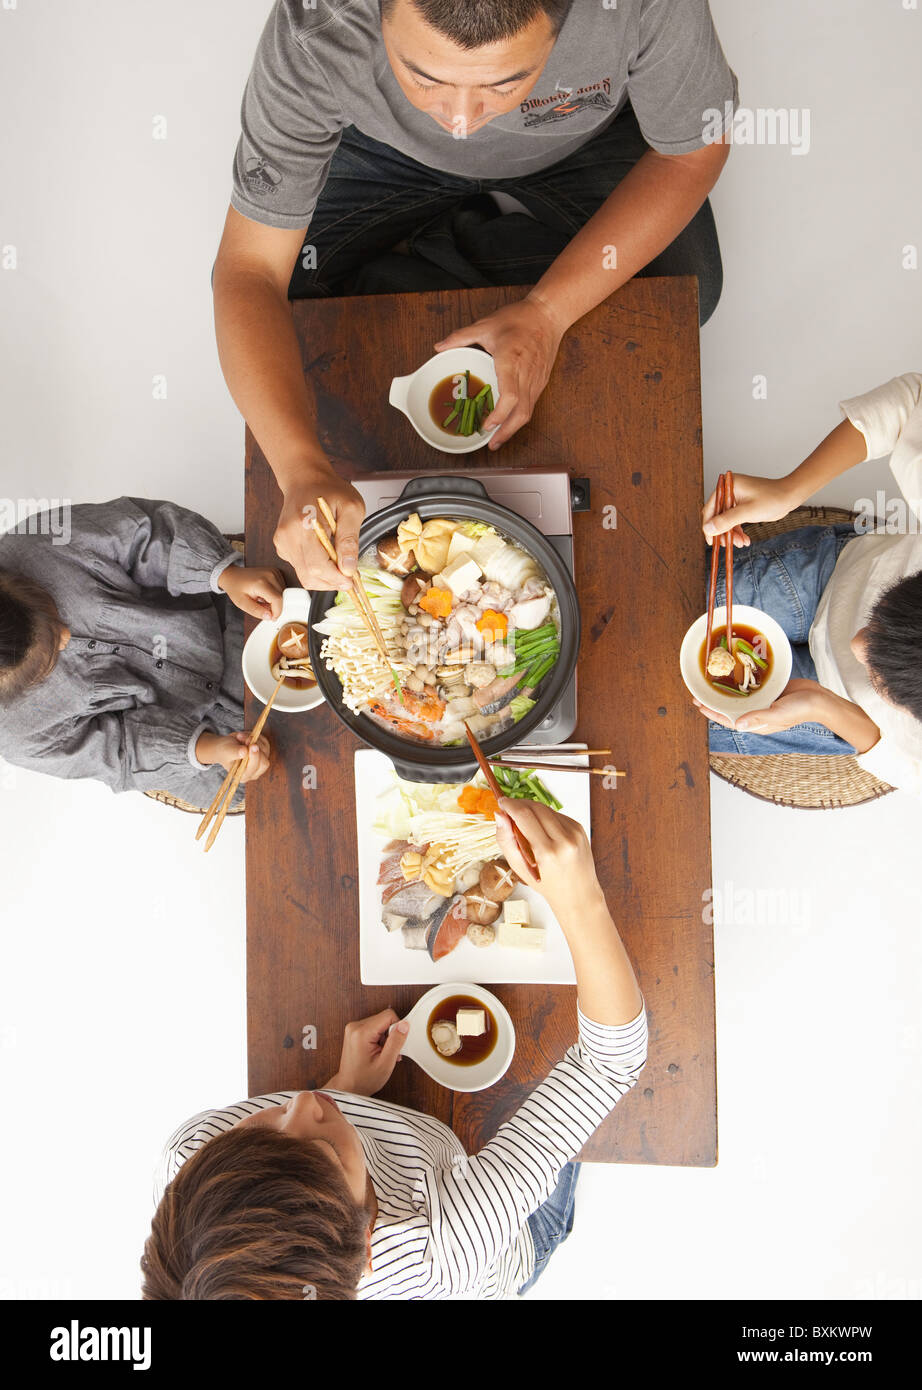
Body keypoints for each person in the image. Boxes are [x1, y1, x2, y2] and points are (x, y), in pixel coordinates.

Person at [214, 0, 738, 590]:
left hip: (578, 143)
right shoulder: (317, 23)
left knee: (682, 292)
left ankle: (438, 264)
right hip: (384, 153)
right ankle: (492, 253)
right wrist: (301, 470)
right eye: (424, 76)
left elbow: (692, 150)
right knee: (297, 300)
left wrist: (548, 312)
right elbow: (249, 270)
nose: (461, 120)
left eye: (505, 82)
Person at [142, 798, 647, 1299]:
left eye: (261, 1128)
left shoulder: (192, 1157)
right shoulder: (445, 1242)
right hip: (508, 1235)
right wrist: (582, 899)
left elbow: (307, 1111)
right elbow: (609, 1062)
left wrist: (346, 1090)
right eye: (319, 1147)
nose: (301, 1101)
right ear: (364, 1242)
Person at [692, 371, 922, 796]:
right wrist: (788, 491)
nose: (856, 646)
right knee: (675, 599)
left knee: (673, 716)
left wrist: (822, 705)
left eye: (879, 674)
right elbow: (913, 401)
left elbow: (910, 770)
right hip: (832, 580)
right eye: (881, 621)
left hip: (844, 708)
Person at [0, 497, 284, 804]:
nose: (67, 635)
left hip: (229, 617)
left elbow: (147, 536)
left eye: (52, 617)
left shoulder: (37, 543)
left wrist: (226, 576)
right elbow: (120, 752)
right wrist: (210, 748)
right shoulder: (16, 735)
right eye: (50, 657)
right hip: (203, 735)